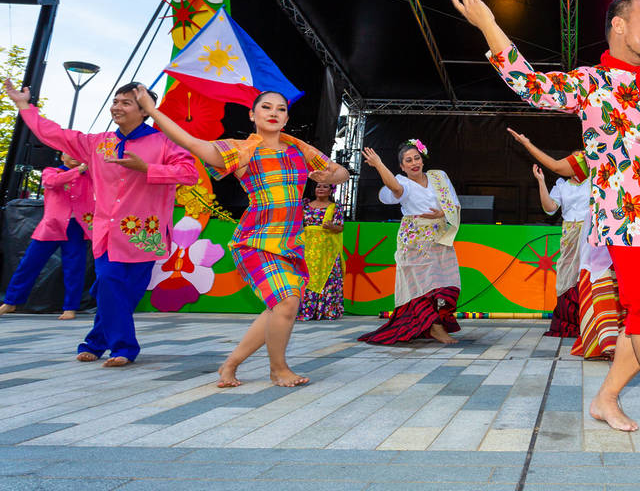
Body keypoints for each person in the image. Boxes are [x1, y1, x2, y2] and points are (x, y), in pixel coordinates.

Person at [452, 0, 640, 445]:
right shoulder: (591, 83)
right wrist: (489, 26)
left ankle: (606, 399)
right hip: (626, 219)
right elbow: (530, 85)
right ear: (618, 26)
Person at [138, 87, 348, 387]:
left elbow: (341, 172)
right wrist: (152, 110)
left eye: (280, 108)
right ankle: (278, 369)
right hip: (255, 240)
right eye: (266, 107)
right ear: (253, 114)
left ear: (286, 117)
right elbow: (191, 142)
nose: (273, 112)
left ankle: (230, 364)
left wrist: (332, 176)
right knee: (288, 302)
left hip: (289, 243)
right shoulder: (241, 150)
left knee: (279, 306)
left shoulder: (299, 150)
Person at [4, 79, 198, 366]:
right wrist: (23, 105)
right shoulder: (98, 143)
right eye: (116, 101)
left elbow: (188, 173)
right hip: (106, 232)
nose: (117, 107)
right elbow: (53, 134)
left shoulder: (164, 142)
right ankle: (124, 348)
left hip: (145, 234)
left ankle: (95, 342)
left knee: (122, 292)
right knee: (108, 280)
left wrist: (147, 169)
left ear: (145, 110)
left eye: (126, 103)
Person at [508, 128, 640, 356]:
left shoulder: (631, 141)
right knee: (632, 282)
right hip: (626, 222)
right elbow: (557, 169)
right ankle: (636, 346)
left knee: (638, 284)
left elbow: (557, 166)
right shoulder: (613, 146)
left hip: (631, 222)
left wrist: (527, 142)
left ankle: (628, 347)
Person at [358, 140, 462, 345]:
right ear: (402, 167)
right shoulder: (401, 182)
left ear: (422, 160)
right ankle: (435, 328)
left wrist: (442, 212)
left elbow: (454, 203)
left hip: (440, 237)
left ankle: (431, 324)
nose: (414, 163)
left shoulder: (438, 177)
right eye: (408, 160)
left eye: (416, 158)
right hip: (415, 240)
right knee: (425, 285)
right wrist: (379, 164)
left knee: (445, 283)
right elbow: (395, 189)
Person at [508, 128, 586, 337]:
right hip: (570, 233)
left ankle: (591, 323)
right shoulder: (562, 184)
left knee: (588, 275)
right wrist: (541, 182)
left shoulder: (597, 181)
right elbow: (550, 208)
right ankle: (571, 322)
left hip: (590, 234)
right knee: (566, 276)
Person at [0, 155, 94, 320]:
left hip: (75, 227)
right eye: (69, 152)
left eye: (77, 153)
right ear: (63, 156)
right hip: (52, 226)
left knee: (74, 268)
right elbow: (51, 183)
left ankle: (70, 307)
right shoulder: (52, 172)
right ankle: (11, 301)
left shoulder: (89, 175)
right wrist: (77, 171)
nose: (74, 156)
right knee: (29, 264)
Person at [297, 181, 345, 321]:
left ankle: (326, 311)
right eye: (318, 186)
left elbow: (340, 228)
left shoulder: (335, 207)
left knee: (328, 279)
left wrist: (331, 226)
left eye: (325, 186)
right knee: (307, 278)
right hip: (307, 249)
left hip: (327, 251)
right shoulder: (305, 205)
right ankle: (306, 311)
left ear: (331, 191)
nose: (321, 189)